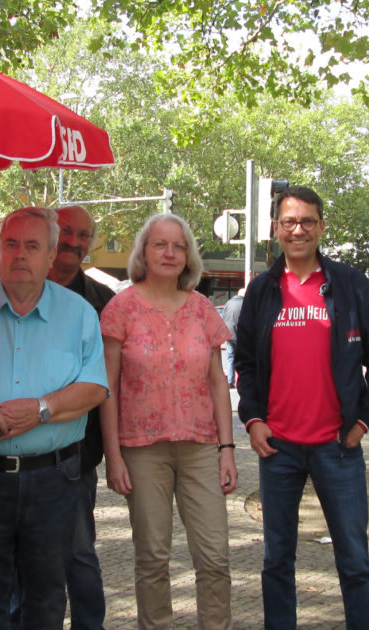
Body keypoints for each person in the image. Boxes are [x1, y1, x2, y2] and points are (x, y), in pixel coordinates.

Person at [235, 185, 369, 629]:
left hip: (337, 446)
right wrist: (252, 420)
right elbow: (244, 364)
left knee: (355, 562)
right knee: (275, 561)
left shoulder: (348, 284)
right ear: (276, 230)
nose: (298, 229)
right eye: (289, 222)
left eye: (307, 221)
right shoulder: (263, 290)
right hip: (278, 449)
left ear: (322, 227)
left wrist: (363, 420)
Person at [0, 206, 107, 629]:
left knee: (46, 599)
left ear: (51, 254)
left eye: (32, 246)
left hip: (54, 480)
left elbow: (94, 388)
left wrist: (42, 409)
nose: (20, 254)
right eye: (11, 244)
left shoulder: (79, 314)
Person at [100, 213, 237, 629]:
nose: (169, 253)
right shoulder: (120, 308)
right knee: (153, 558)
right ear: (143, 251)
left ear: (188, 255)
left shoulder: (201, 309)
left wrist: (227, 451)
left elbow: (217, 382)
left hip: (200, 447)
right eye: (160, 244)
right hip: (141, 451)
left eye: (178, 246)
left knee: (215, 555)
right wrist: (113, 457)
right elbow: (107, 387)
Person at [45, 205, 116, 629]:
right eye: (66, 232)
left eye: (83, 235)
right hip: (16, 448)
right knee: (26, 559)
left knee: (78, 553)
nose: (73, 241)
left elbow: (112, 385)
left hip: (76, 457)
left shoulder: (103, 303)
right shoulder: (19, 290)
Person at [220, 288, 245, 386]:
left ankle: (230, 381)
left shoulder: (228, 303)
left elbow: (224, 317)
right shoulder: (244, 304)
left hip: (229, 335)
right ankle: (241, 381)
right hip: (240, 336)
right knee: (242, 359)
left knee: (230, 358)